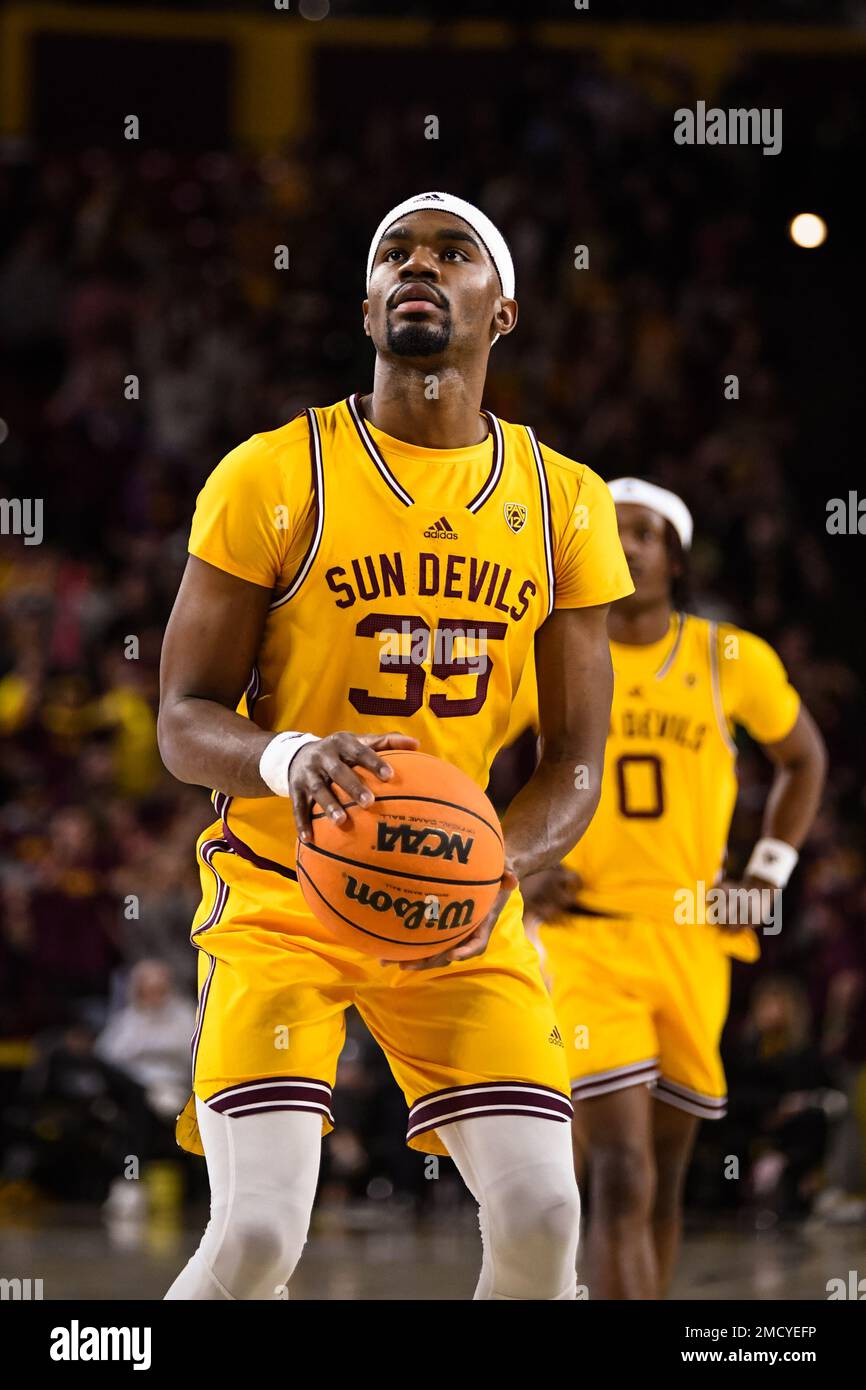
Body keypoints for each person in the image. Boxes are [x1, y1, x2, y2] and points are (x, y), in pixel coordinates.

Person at [157, 191, 634, 1300]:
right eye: (392, 254)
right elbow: (182, 716)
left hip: (457, 907)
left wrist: (480, 869)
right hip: (284, 891)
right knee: (256, 1240)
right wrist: (288, 757)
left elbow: (572, 761)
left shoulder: (563, 502)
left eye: (451, 252)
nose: (416, 265)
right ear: (367, 306)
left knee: (543, 1214)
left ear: (499, 310)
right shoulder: (271, 474)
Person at [521, 477, 827, 1299]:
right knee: (617, 1171)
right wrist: (517, 866)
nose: (629, 544)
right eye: (613, 530)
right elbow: (462, 754)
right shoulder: (552, 652)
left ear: (675, 557)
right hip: (586, 935)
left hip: (694, 937)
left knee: (662, 1172)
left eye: (647, 532)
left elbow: (804, 757)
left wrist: (766, 873)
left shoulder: (729, 658)